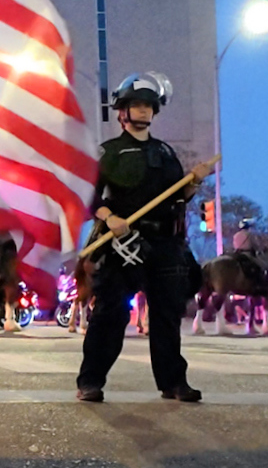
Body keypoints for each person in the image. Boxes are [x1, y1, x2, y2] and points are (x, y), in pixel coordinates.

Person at [73, 71, 209, 403]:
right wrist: (110, 217)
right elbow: (88, 196)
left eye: (149, 105)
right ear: (123, 110)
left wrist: (193, 183)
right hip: (124, 243)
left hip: (165, 244)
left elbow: (178, 198)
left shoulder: (164, 153)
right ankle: (90, 381)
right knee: (111, 313)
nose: (144, 111)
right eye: (137, 104)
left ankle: (173, 382)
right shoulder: (109, 152)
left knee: (165, 315)